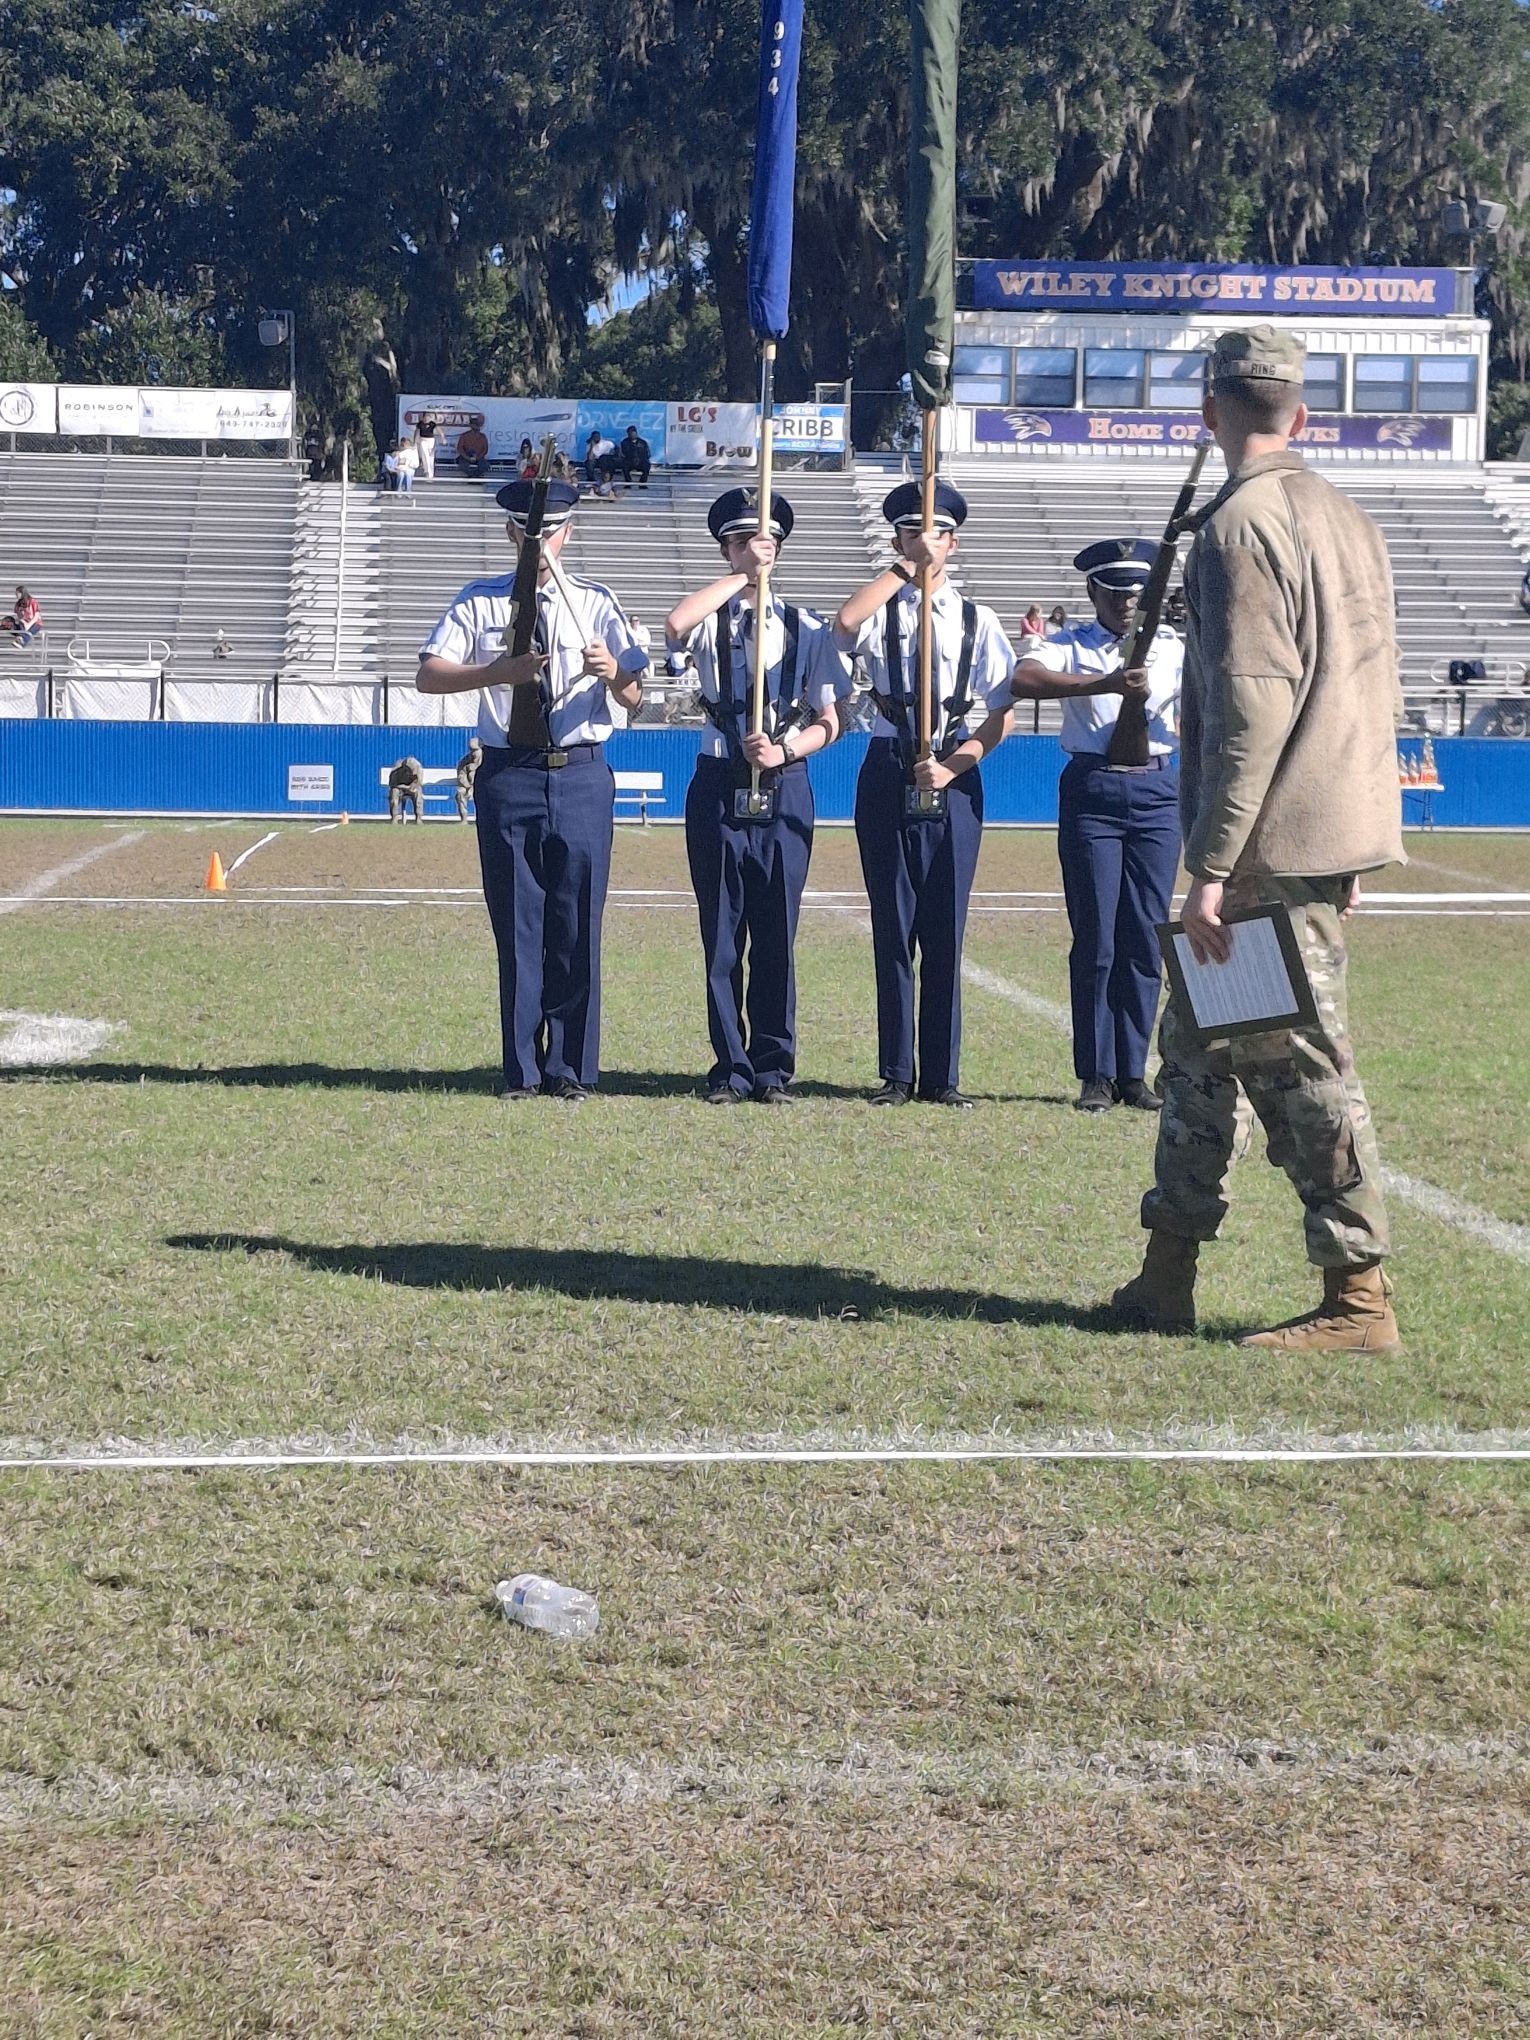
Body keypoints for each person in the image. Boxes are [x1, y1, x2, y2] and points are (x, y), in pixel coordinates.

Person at [1110, 324, 1405, 1354]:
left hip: (1262, 857)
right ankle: (1166, 1275)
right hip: (1312, 839)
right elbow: (1369, 691)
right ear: (1302, 414)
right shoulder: (1348, 517)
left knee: (1302, 1069)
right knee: (1198, 1064)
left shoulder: (1238, 529)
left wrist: (1212, 866)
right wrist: (1355, 845)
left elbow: (1253, 710)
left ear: (1209, 412)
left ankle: (1357, 1299)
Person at [417, 477, 646, 1100]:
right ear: (511, 532)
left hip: (580, 774)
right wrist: (498, 672)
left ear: (568, 533)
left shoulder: (595, 602)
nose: (539, 542)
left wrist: (615, 673)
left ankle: (570, 1068)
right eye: (529, 531)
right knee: (518, 925)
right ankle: (521, 1070)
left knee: (578, 924)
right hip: (508, 774)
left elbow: (637, 697)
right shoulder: (479, 602)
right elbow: (429, 674)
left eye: (551, 531)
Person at [665, 488, 852, 1103]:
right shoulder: (712, 618)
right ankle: (730, 1067)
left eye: (763, 542)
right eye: (740, 541)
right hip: (719, 783)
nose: (754, 551)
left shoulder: (806, 626)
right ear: (726, 549)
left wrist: (786, 751)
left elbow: (831, 720)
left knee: (776, 932)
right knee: (723, 934)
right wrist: (740, 576)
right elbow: (674, 625)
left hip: (785, 786)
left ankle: (772, 1067)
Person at [834, 481, 1015, 1107]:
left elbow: (1002, 713)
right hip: (888, 766)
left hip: (953, 772)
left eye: (936, 533)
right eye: (912, 532)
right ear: (896, 540)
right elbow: (845, 623)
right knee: (893, 924)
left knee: (945, 928)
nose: (925, 542)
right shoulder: (881, 609)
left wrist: (954, 766)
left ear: (954, 542)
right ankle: (895, 1073)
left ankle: (941, 1076)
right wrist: (904, 570)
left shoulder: (977, 620)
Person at [1011, 538, 1184, 1113]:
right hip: (1094, 787)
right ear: (1093, 593)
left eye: (1137, 595)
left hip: (1158, 787)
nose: (1127, 604)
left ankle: (1133, 1071)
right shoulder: (1071, 645)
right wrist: (1104, 685)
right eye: (1115, 594)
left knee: (1145, 934)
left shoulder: (1174, 648)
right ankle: (1096, 1072)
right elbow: (1026, 680)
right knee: (1097, 938)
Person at [387, 756, 425, 823]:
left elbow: (418, 783)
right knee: (394, 793)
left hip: (412, 788)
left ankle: (419, 818)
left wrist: (411, 787)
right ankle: (394, 818)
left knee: (418, 793)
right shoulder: (396, 770)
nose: (411, 773)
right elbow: (392, 784)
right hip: (399, 788)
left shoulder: (418, 768)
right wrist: (404, 787)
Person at [454, 736, 482, 821]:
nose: (473, 753)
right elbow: (461, 775)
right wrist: (468, 786)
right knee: (460, 792)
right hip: (468, 786)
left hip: (482, 786)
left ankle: (482, 818)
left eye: (475, 751)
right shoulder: (465, 761)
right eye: (472, 751)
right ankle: (464, 818)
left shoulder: (487, 760)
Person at [416, 413, 438, 481]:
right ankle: (427, 471)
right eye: (425, 416)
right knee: (425, 455)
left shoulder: (432, 424)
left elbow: (440, 431)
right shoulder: (420, 424)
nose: (427, 418)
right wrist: (415, 442)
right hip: (423, 439)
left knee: (431, 458)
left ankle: (430, 476)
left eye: (428, 416)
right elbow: (417, 432)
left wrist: (443, 438)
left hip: (431, 440)